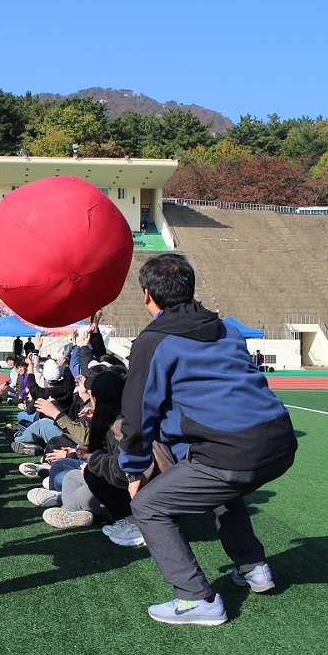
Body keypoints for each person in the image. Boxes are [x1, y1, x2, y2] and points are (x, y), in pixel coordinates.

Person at [118, 253, 297, 627]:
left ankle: (196, 598)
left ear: (147, 294)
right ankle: (253, 567)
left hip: (232, 451)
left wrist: (134, 472)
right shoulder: (227, 328)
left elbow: (136, 417)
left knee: (149, 506)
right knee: (217, 485)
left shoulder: (153, 341)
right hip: (280, 438)